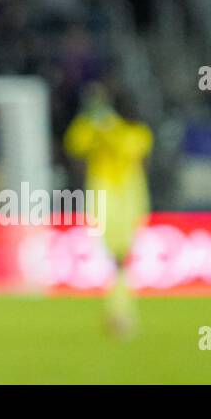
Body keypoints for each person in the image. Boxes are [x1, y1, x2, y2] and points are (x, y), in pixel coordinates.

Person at [63, 81, 152, 340]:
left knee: (121, 258)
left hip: (128, 198)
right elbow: (74, 144)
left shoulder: (138, 133)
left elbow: (126, 148)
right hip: (102, 196)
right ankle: (120, 312)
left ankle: (120, 313)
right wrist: (89, 120)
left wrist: (108, 126)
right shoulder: (97, 127)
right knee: (115, 259)